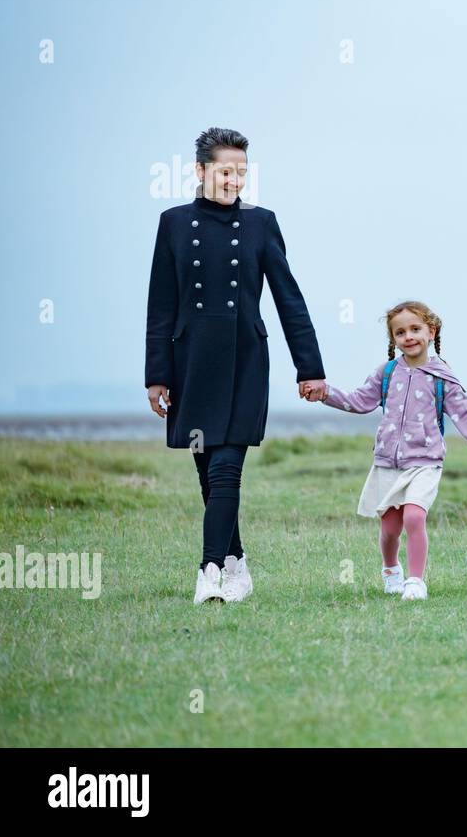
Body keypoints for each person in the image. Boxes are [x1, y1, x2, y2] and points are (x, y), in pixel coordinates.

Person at [145, 127, 327, 604]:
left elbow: (290, 299)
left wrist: (309, 367)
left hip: (246, 361)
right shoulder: (173, 222)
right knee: (209, 475)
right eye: (225, 171)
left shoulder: (261, 223)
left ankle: (209, 572)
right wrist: (157, 374)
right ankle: (237, 563)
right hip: (191, 364)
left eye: (242, 173)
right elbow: (161, 304)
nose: (234, 181)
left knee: (226, 470)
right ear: (201, 171)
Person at [308, 301, 467, 600]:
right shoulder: (386, 373)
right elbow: (359, 401)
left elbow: (465, 413)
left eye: (415, 329)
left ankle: (415, 582)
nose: (408, 336)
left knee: (414, 517)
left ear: (431, 331)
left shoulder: (442, 377)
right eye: (400, 332)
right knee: (389, 528)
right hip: (388, 463)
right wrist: (326, 393)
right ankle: (391, 569)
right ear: (393, 339)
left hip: (425, 462)